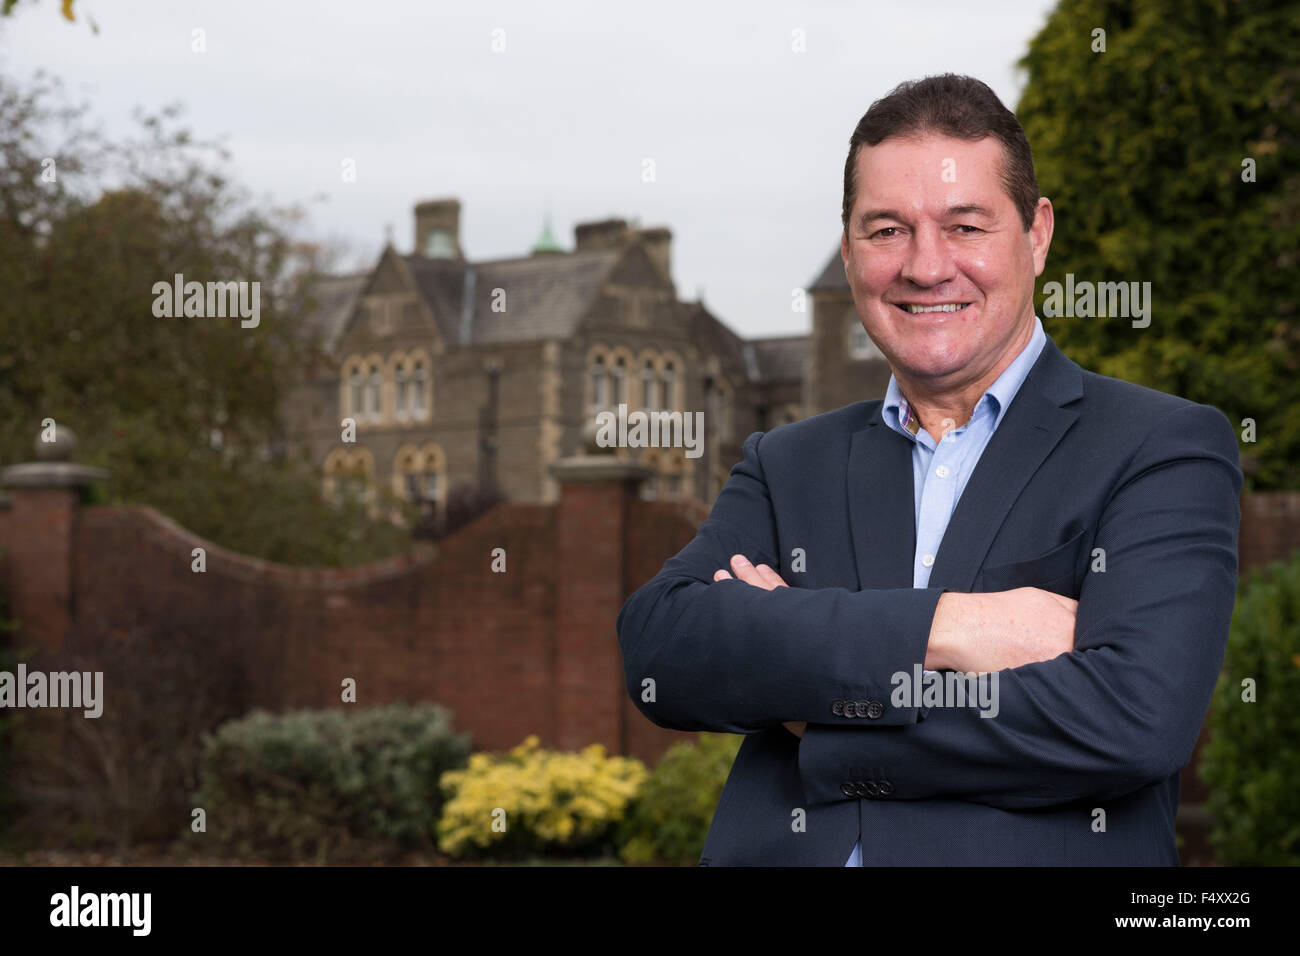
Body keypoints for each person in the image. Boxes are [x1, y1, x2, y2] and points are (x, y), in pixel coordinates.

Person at [615, 73, 1242, 866]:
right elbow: (663, 652)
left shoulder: (1159, 447)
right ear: (848, 251)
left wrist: (818, 707)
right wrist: (956, 627)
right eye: (887, 230)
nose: (926, 266)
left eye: (965, 226)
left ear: (1037, 234)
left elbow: (1132, 720)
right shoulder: (790, 460)